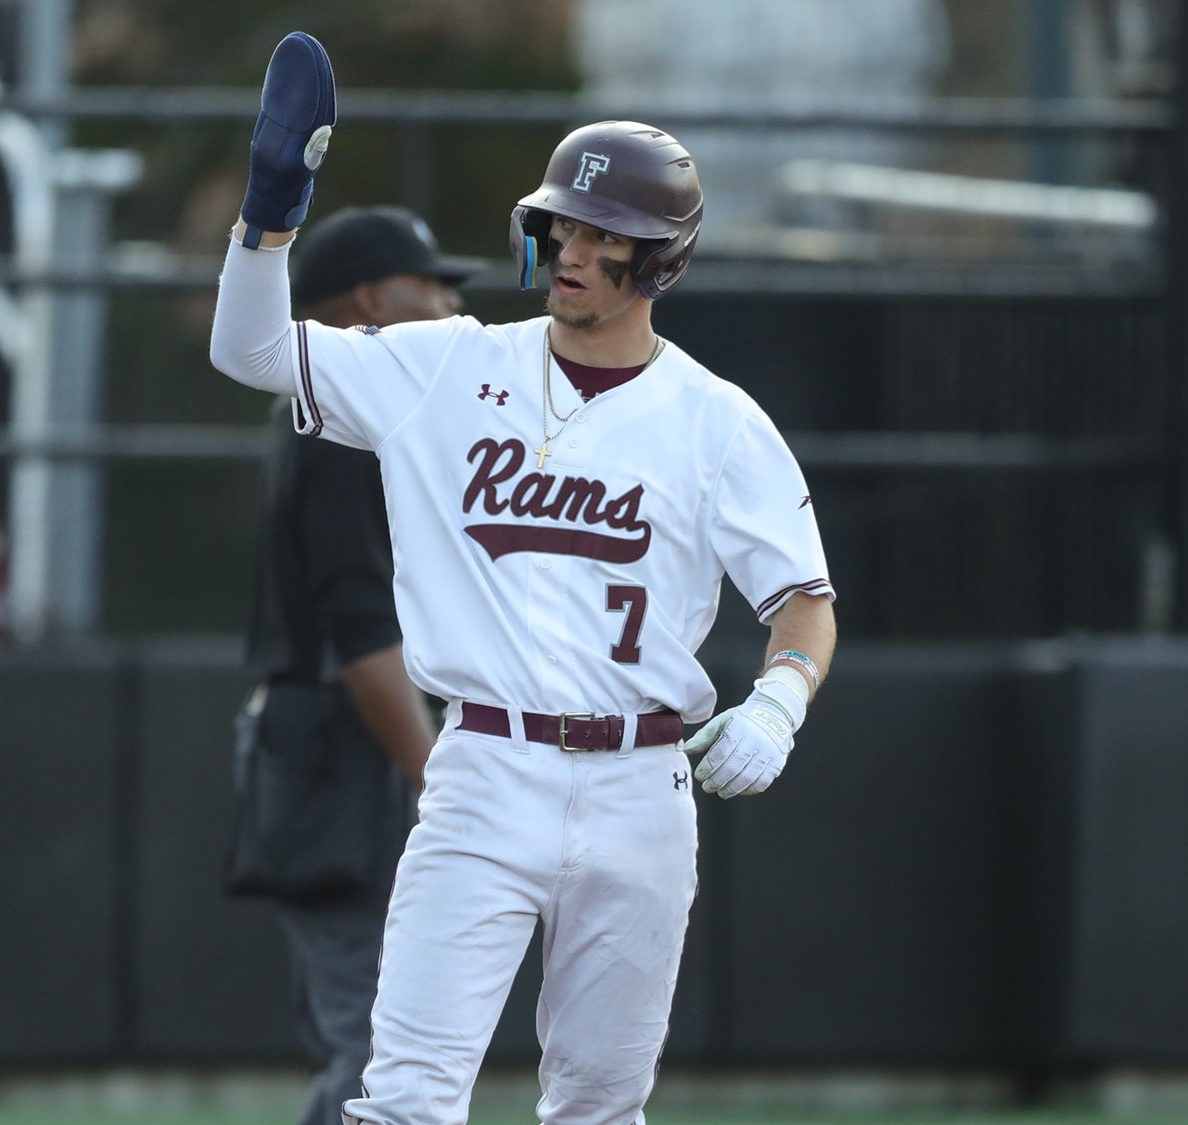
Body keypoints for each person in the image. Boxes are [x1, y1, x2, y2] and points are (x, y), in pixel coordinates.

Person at [210, 34, 837, 1125]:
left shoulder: (716, 419)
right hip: (485, 765)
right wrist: (268, 219)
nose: (572, 251)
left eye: (606, 235)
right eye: (561, 224)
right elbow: (251, 354)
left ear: (661, 261)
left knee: (599, 1108)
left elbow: (803, 604)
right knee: (403, 1099)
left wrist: (779, 703)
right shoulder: (447, 360)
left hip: (644, 785)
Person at [229, 206, 479, 1125]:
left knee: (374, 1046)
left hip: (330, 755)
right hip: (341, 760)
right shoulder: (338, 415)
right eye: (434, 284)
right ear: (372, 298)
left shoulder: (350, 411)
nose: (452, 304)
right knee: (381, 1052)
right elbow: (364, 642)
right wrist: (440, 782)